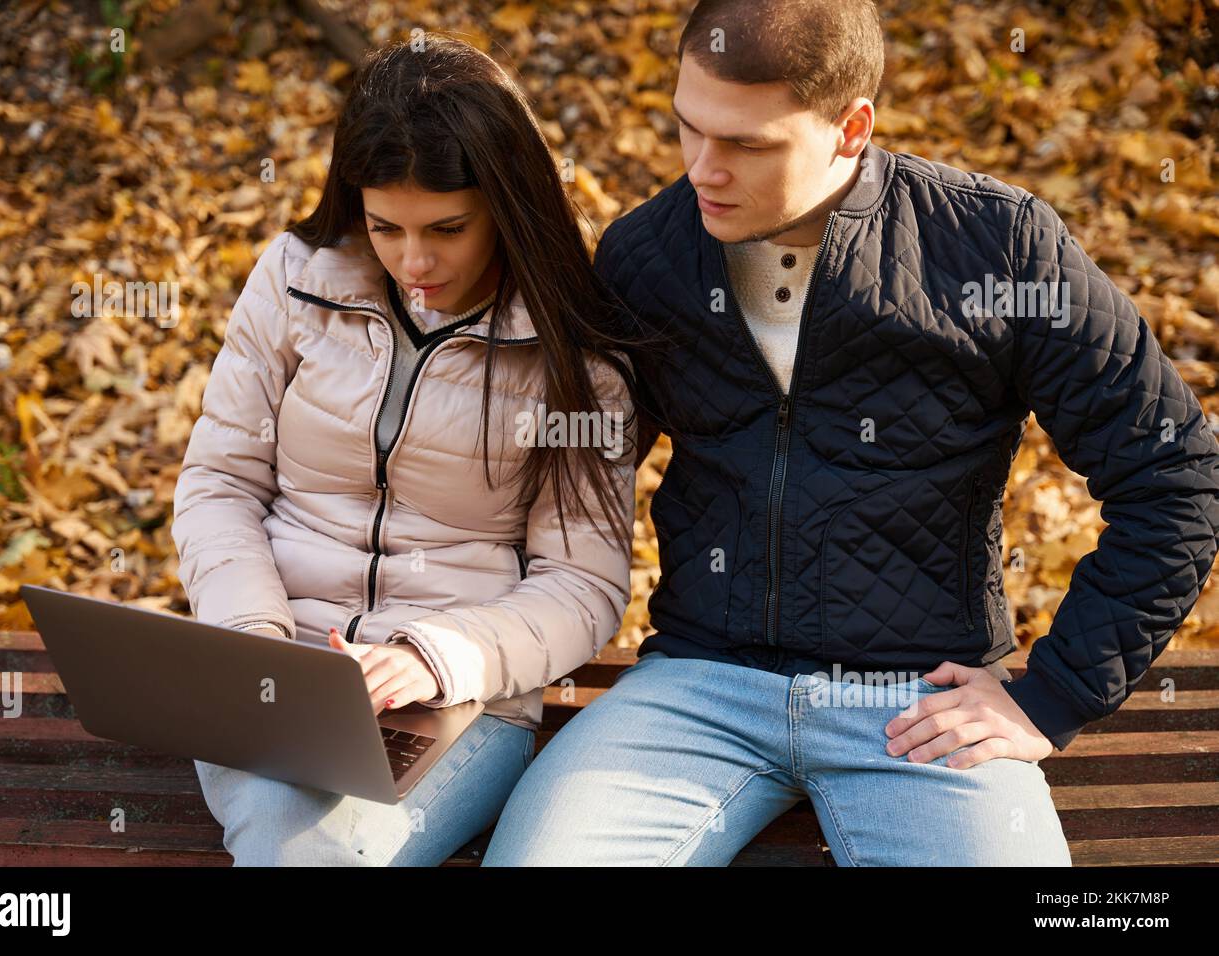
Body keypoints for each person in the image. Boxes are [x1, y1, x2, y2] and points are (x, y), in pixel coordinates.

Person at [483, 0, 1219, 866]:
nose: (703, 171)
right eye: (689, 128)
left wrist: (1050, 695)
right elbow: (569, 476)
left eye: (748, 145)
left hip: (920, 704)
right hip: (694, 688)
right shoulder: (648, 256)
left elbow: (1174, 476)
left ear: (851, 128)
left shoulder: (995, 249)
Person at [171, 34, 640, 866]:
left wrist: (436, 658)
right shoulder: (295, 278)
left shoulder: (574, 357)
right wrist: (253, 631)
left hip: (461, 702)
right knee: (295, 847)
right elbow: (221, 482)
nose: (415, 262)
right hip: (274, 673)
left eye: (448, 229)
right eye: (385, 226)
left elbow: (584, 583)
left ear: (507, 202)